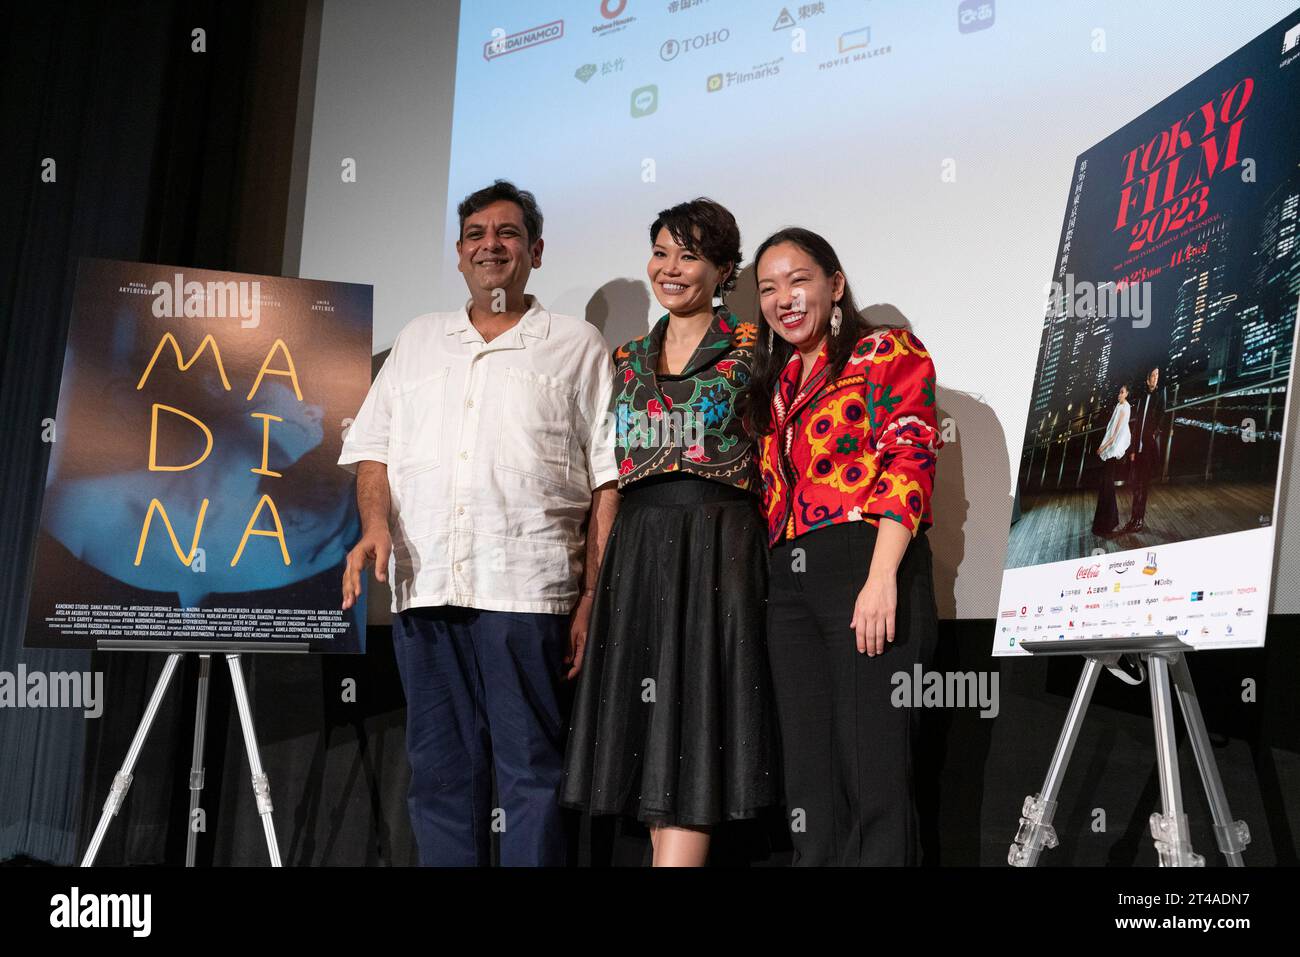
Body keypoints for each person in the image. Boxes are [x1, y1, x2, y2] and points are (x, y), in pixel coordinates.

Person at [336, 180, 620, 866]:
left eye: (508, 233)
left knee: (530, 771)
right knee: (437, 771)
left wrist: (592, 593)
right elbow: (373, 451)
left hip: (527, 592)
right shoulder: (419, 339)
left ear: (537, 251)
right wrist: (374, 525)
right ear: (459, 254)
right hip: (426, 582)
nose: (490, 245)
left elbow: (608, 479)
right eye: (476, 235)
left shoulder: (578, 345)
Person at [560, 198, 780, 866]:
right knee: (652, 734)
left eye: (690, 254)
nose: (671, 267)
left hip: (719, 548)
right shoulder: (625, 357)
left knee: (695, 723)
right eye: (661, 251)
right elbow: (608, 476)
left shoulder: (756, 349)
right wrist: (592, 588)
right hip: (639, 550)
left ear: (724, 270)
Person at [743, 227, 942, 866]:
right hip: (788, 582)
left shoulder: (886, 349)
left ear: (835, 284)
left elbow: (911, 455)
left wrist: (883, 575)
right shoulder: (772, 383)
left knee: (873, 769)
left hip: (865, 562)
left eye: (798, 280)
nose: (785, 299)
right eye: (769, 288)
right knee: (810, 777)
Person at [1121, 366, 1165, 533]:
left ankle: (1139, 519)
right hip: (1137, 447)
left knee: (1143, 485)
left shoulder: (1161, 394)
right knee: (1135, 485)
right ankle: (1133, 518)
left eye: (1157, 375)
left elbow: (1162, 414)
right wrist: (1132, 449)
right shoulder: (1142, 397)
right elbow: (1137, 422)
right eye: (1153, 375)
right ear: (1147, 379)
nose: (1155, 378)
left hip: (1148, 447)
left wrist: (1154, 433)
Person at [1091, 384, 1130, 536]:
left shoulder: (1124, 408)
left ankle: (1108, 522)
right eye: (1119, 392)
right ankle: (1108, 521)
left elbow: (1115, 434)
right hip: (1110, 450)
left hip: (1112, 451)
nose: (1119, 394)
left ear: (1127, 394)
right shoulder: (1119, 406)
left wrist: (1102, 447)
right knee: (1106, 485)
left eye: (1122, 392)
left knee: (1107, 485)